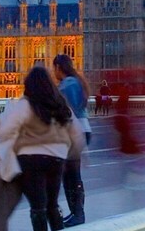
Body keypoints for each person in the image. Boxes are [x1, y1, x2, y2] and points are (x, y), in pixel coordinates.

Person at [0, 66, 87, 231]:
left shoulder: (26, 105)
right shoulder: (60, 104)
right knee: (52, 204)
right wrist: (68, 155)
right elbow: (77, 135)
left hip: (31, 161)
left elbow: (5, 130)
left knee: (38, 207)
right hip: (56, 160)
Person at [51, 55, 91, 227]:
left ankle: (78, 214)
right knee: (69, 175)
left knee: (71, 176)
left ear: (59, 67)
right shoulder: (76, 81)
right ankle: (75, 212)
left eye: (55, 68)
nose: (54, 72)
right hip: (80, 129)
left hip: (74, 130)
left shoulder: (68, 85)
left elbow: (69, 110)